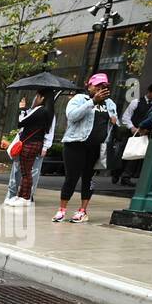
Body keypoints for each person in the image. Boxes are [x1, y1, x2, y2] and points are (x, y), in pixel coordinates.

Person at [53, 73, 118, 223]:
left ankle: (82, 211)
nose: (101, 88)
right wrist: (93, 101)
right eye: (98, 86)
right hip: (75, 144)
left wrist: (115, 121)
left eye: (104, 86)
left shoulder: (110, 104)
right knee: (71, 177)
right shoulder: (79, 99)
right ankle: (62, 210)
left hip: (96, 147)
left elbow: (113, 124)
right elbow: (72, 116)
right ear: (89, 86)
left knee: (88, 179)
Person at [4, 89, 54, 206]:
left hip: (29, 144)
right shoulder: (48, 112)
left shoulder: (40, 110)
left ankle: (25, 198)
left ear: (42, 98)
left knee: (26, 172)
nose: (35, 98)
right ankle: (21, 196)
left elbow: (21, 122)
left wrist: (22, 109)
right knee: (26, 171)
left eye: (37, 95)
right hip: (36, 143)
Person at [118, 81, 152, 187]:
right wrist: (132, 128)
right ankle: (117, 172)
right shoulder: (136, 102)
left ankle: (126, 177)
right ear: (149, 91)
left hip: (144, 133)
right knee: (124, 152)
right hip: (132, 132)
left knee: (135, 155)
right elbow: (126, 117)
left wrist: (147, 129)